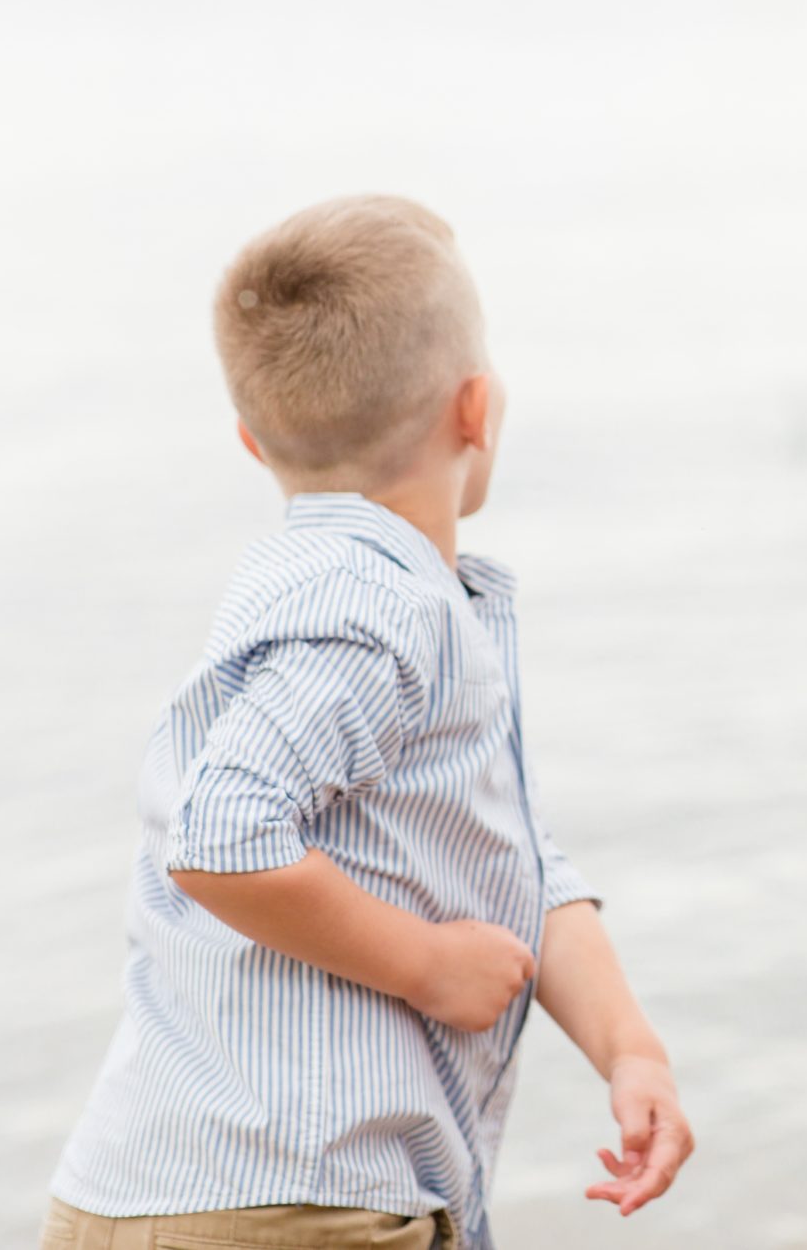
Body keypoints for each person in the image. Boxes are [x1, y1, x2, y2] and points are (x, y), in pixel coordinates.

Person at [41, 196, 692, 1249]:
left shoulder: (337, 594)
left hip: (166, 1186)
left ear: (253, 443)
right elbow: (220, 841)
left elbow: (514, 860)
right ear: (476, 411)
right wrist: (427, 966)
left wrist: (628, 1049)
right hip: (296, 1204)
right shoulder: (373, 607)